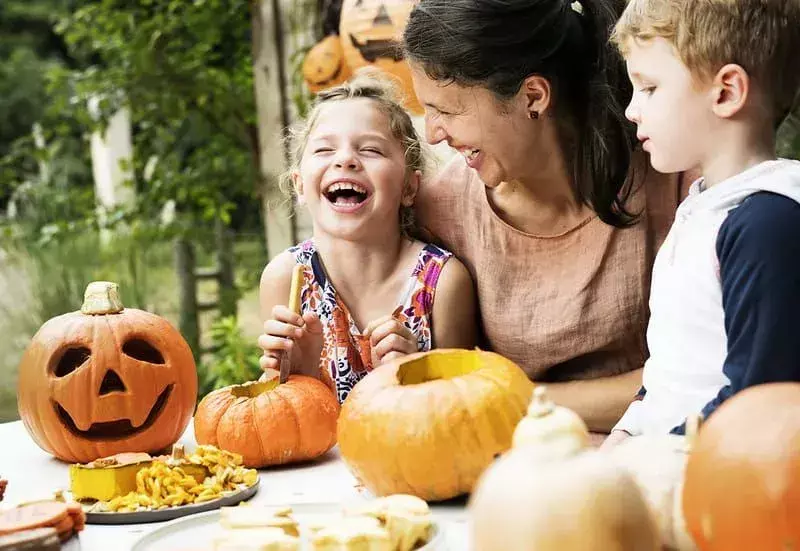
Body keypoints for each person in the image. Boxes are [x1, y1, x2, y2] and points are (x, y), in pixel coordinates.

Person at [402, 0, 690, 432]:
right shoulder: (442, 210)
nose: (433, 133)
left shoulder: (673, 176)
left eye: (447, 110)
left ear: (532, 97)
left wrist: (512, 398)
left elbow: (694, 377)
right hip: (515, 474)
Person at [603, 0, 800, 444]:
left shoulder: (766, 222)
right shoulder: (705, 208)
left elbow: (757, 400)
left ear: (726, 91)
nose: (632, 110)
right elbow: (676, 367)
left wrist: (653, 454)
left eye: (649, 88)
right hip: (669, 458)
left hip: (720, 476)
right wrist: (629, 428)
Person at [256, 73, 477, 404]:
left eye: (371, 150)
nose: (345, 159)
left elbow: (464, 406)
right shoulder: (286, 278)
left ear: (409, 187)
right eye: (325, 149)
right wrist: (300, 375)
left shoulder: (442, 282)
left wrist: (417, 375)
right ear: (300, 185)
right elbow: (275, 418)